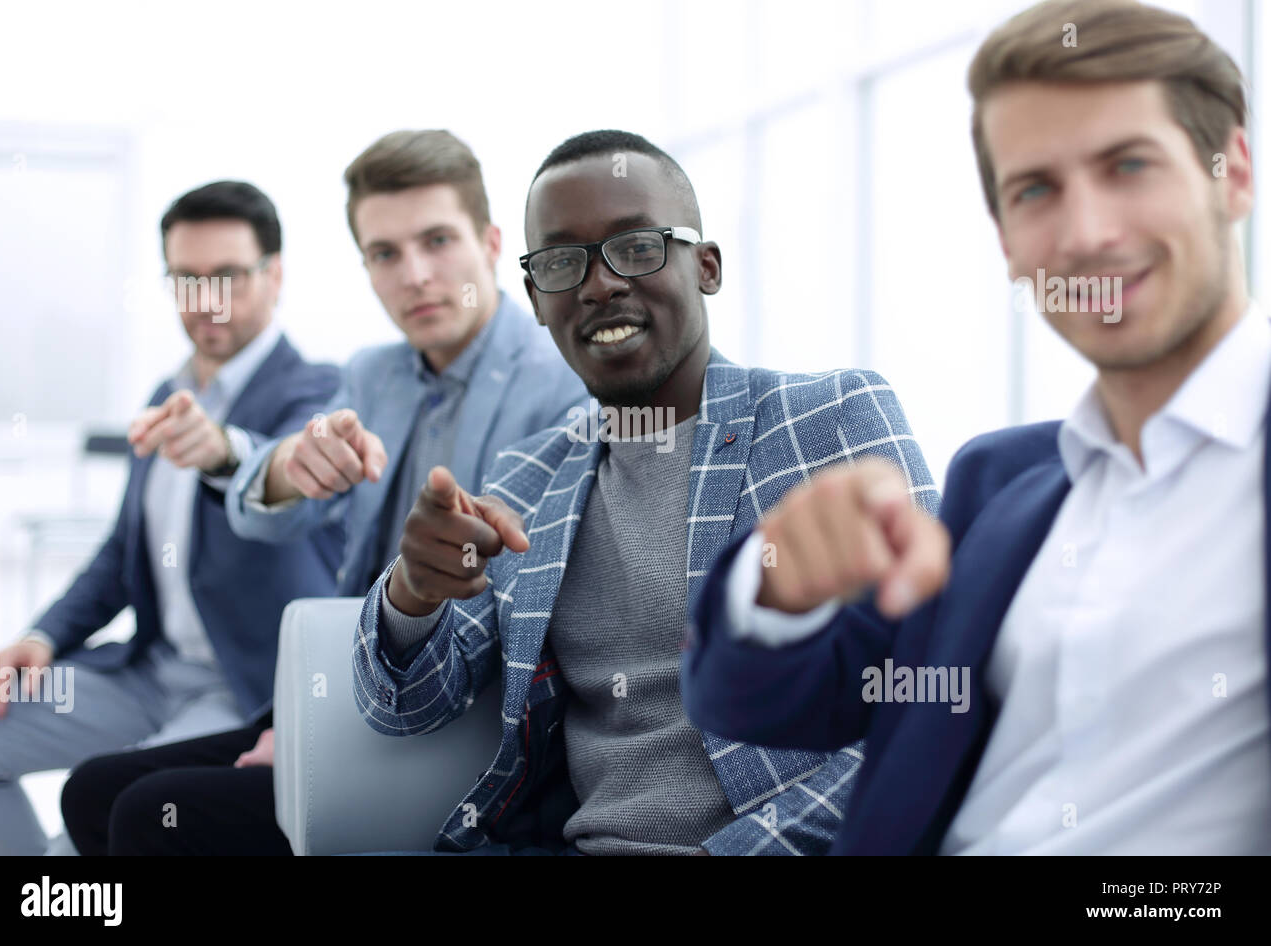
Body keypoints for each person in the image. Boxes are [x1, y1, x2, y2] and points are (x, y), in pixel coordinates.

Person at [682, 0, 1271, 855]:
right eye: (1036, 190)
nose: (1087, 234)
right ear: (1003, 238)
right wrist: (782, 579)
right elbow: (756, 703)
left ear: (1235, 173)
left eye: (1129, 165)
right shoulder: (997, 485)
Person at [353, 129, 937, 855]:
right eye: (564, 263)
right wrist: (413, 590)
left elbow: (929, 703)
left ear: (707, 266)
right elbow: (405, 706)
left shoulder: (827, 417)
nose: (600, 285)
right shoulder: (527, 478)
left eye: (636, 248)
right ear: (536, 298)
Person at [60, 129, 587, 855]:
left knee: (151, 815)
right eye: (385, 254)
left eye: (438, 240)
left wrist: (317, 738)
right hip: (338, 686)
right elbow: (264, 504)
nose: (415, 276)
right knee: (90, 792)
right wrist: (288, 469)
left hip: (458, 721)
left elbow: (510, 626)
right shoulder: (377, 376)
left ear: (492, 242)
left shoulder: (558, 387)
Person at [0, 181, 341, 855]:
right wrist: (42, 637)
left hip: (243, 692)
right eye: (188, 279)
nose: (207, 301)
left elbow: (288, 467)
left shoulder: (319, 391)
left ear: (275, 275)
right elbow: (121, 554)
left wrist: (226, 453)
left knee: (83, 841)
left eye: (227, 275)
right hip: (146, 673)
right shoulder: (166, 395)